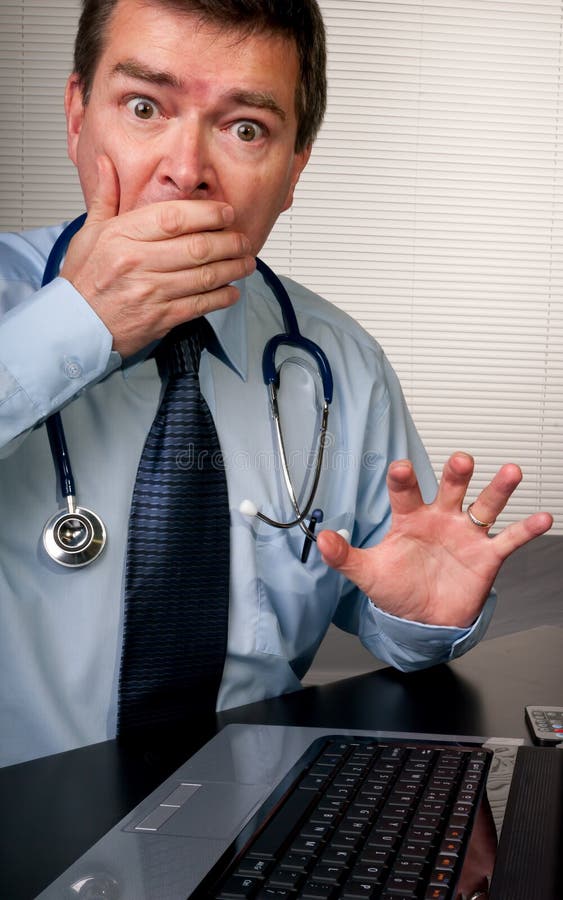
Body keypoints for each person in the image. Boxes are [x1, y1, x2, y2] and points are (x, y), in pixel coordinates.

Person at [0, 0, 552, 768]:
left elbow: (395, 604)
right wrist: (79, 324)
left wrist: (419, 620)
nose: (185, 170)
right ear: (75, 117)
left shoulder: (340, 362)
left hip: (246, 819)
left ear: (293, 171)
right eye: (143, 106)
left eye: (245, 128)